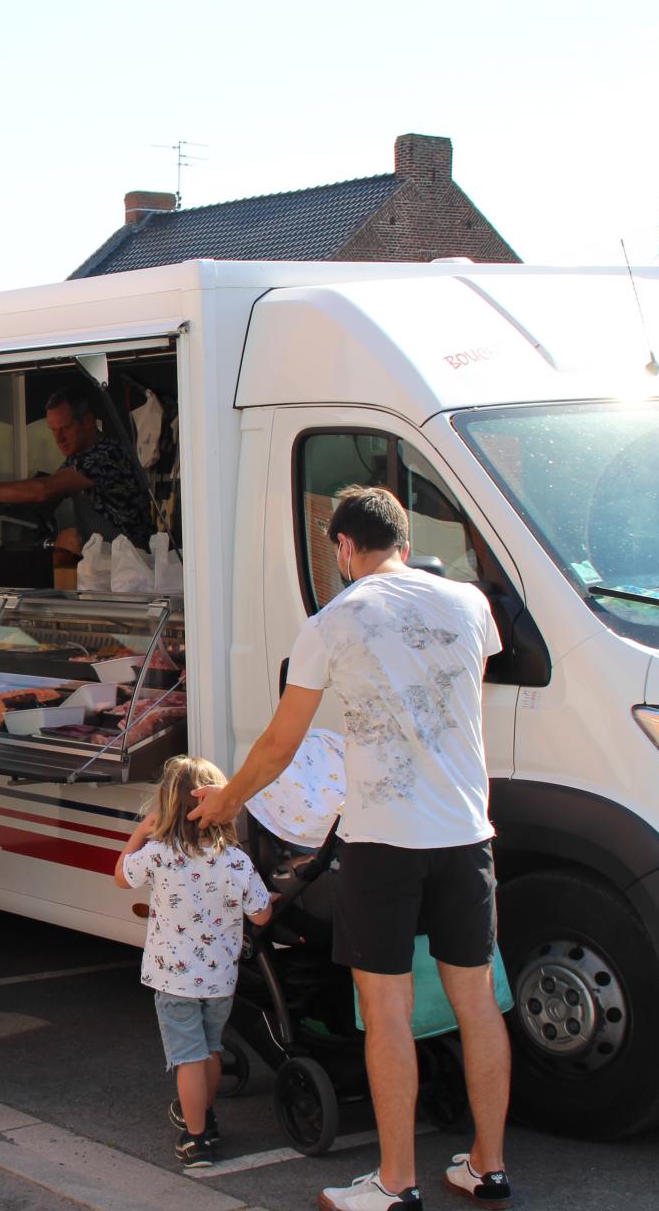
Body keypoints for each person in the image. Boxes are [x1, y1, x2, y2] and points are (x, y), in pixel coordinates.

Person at [190, 486, 511, 1211]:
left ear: (341, 547)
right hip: (466, 833)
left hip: (384, 842)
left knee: (388, 1009)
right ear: (403, 539)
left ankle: (395, 1183)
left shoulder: (333, 621)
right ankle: (488, 1167)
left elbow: (279, 745)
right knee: (477, 1003)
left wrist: (225, 801)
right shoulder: (468, 604)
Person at [114, 756, 274, 1169]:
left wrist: (139, 832)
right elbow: (260, 915)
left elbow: (121, 876)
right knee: (211, 1049)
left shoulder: (159, 854)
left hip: (173, 980)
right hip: (220, 978)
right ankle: (207, 1115)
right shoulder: (235, 860)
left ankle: (196, 1136)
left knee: (187, 1056)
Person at [0, 384, 156, 550]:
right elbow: (42, 500)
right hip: (104, 565)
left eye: (65, 428)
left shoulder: (106, 456)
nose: (59, 439)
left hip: (133, 566)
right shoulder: (76, 459)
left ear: (87, 422)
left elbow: (42, 491)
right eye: (53, 430)